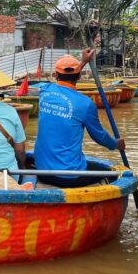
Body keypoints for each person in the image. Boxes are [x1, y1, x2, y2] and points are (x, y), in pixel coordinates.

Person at [33, 49, 125, 188]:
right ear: (80, 76)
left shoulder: (45, 90)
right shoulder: (86, 104)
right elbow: (99, 137)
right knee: (112, 176)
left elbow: (65, 80)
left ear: (56, 75)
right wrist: (115, 144)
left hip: (42, 170)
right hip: (69, 176)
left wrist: (83, 62)